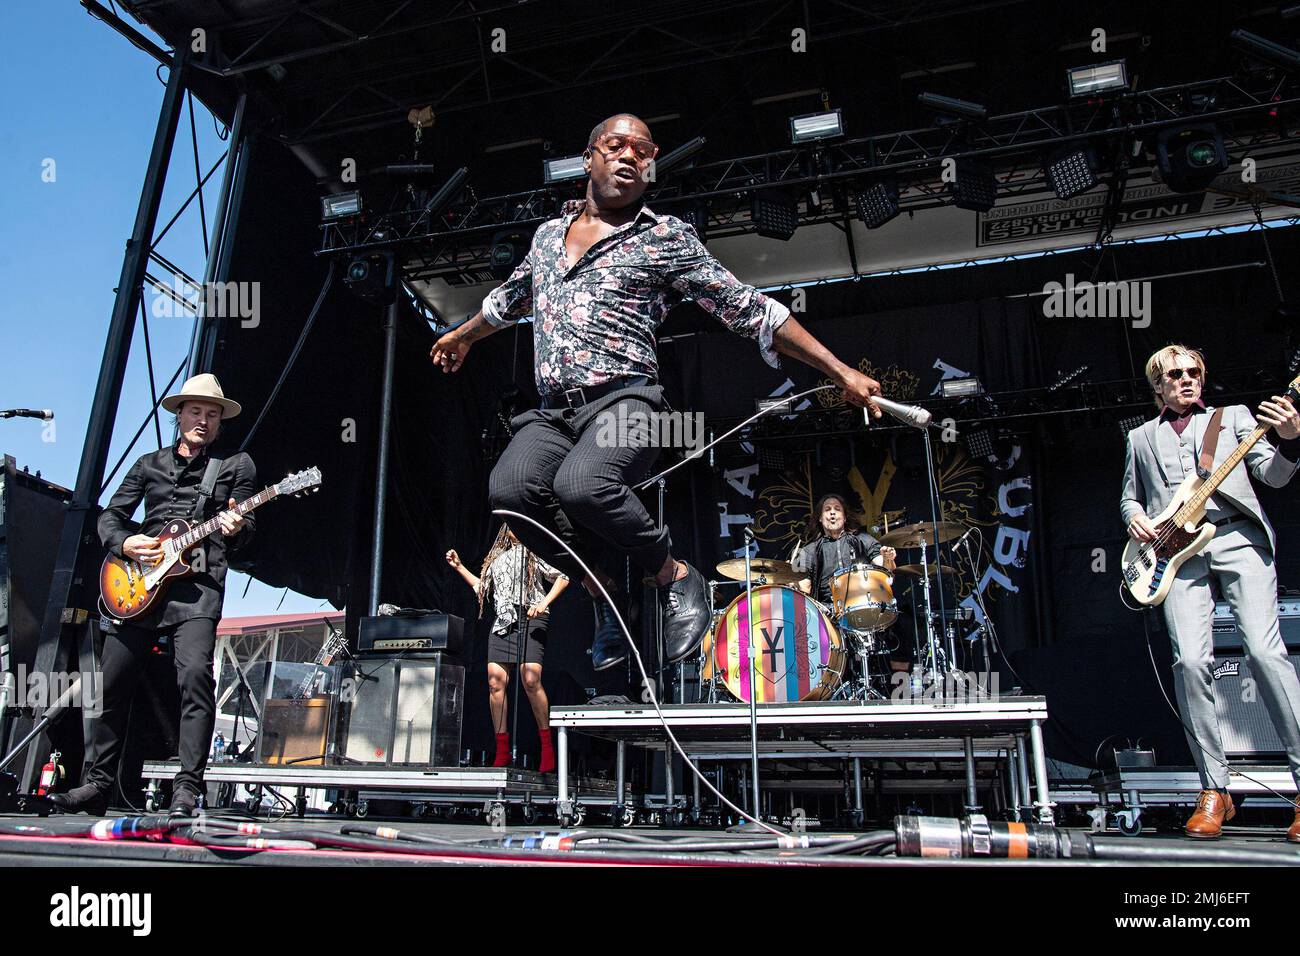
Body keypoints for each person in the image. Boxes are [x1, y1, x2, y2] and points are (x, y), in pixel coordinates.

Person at [431, 113, 883, 673]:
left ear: (651, 168)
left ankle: (674, 575)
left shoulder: (663, 238)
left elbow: (748, 308)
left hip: (630, 402)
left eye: (641, 151)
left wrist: (839, 370)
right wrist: (463, 335)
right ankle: (606, 594)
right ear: (589, 157)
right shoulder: (548, 238)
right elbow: (509, 299)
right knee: (510, 490)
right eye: (615, 145)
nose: (628, 156)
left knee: (584, 485)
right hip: (553, 412)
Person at [50, 374, 257, 816]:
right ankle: (98, 783)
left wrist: (238, 526)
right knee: (108, 683)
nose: (204, 420)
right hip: (137, 586)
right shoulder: (149, 464)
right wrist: (124, 544)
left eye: (213, 414)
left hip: (196, 592)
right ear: (179, 415)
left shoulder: (236, 465)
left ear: (221, 422)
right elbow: (112, 515)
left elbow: (243, 532)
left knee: (195, 679)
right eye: (196, 411)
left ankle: (186, 788)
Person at [1121, 344, 1300, 841]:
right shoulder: (1140, 438)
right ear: (1158, 384)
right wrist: (1134, 517)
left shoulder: (1234, 417)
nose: (1187, 380)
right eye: (1176, 374)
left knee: (1266, 654)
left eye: (1194, 372)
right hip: (1176, 554)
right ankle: (1214, 790)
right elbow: (1129, 497)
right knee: (1191, 663)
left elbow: (1274, 475)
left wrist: (1291, 440)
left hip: (1237, 539)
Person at [446, 525, 569, 772]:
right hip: (504, 620)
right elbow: (483, 590)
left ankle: (546, 747)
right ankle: (501, 750)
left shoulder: (534, 552)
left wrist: (543, 604)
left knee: (531, 679)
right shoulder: (497, 558)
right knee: (495, 682)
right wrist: (459, 567)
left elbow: (563, 577)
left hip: (531, 615)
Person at [794, 493, 910, 674]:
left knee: (903, 622)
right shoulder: (808, 550)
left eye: (837, 509)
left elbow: (886, 570)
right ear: (819, 517)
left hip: (865, 603)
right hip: (828, 610)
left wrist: (889, 559)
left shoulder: (863, 540)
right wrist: (789, 580)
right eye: (827, 510)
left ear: (845, 516)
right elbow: (803, 587)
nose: (832, 513)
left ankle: (899, 686)